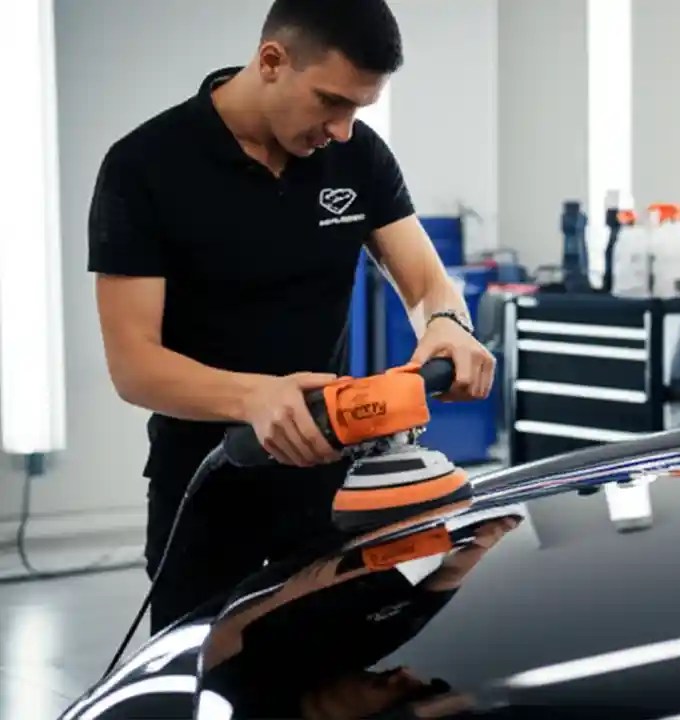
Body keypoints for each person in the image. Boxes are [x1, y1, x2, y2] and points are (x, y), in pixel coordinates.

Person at [87, 0, 495, 634]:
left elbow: (426, 282)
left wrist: (446, 321)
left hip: (333, 486)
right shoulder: (144, 166)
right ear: (271, 61)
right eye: (331, 102)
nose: (342, 129)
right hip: (208, 482)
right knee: (211, 684)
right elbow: (134, 365)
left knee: (338, 676)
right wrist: (255, 398)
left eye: (360, 108)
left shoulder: (357, 155)